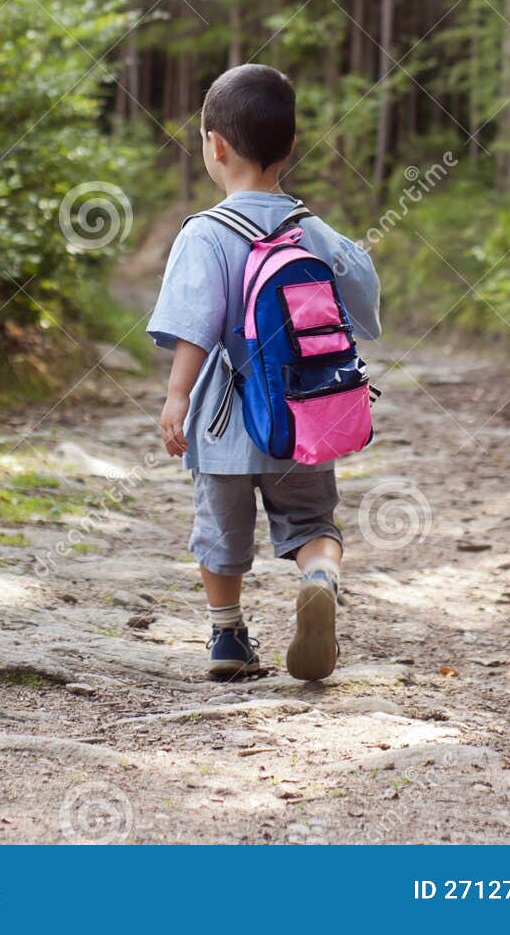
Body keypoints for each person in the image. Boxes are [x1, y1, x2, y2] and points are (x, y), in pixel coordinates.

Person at [148, 63, 381, 681]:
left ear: (215, 145)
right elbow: (363, 302)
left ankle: (227, 637)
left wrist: (176, 399)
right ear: (291, 147)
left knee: (219, 535)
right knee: (312, 523)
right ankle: (320, 578)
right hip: (304, 418)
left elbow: (194, 326)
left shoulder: (205, 233)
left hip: (225, 424)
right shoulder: (312, 228)